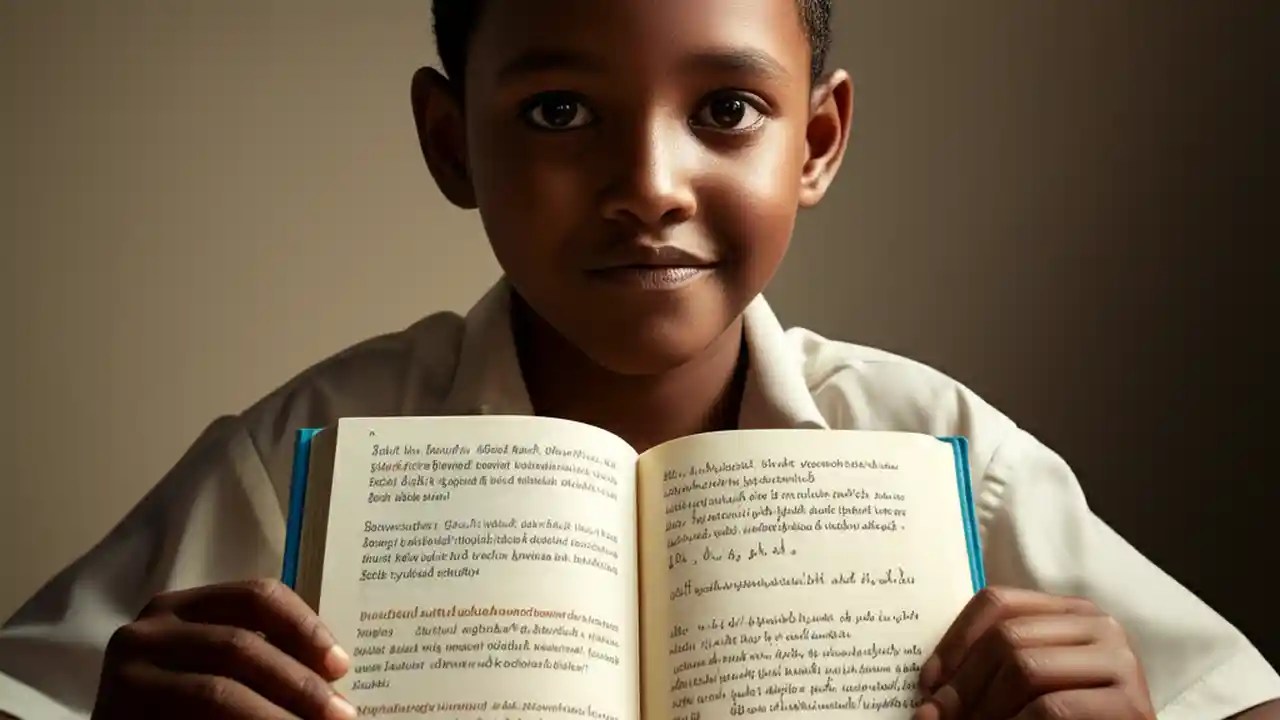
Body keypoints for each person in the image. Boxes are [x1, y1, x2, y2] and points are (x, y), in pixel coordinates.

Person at [2, 1, 1276, 718]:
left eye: (725, 110)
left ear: (817, 140)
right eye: (558, 114)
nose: (645, 188)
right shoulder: (308, 458)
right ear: (451, 144)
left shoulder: (942, 451)